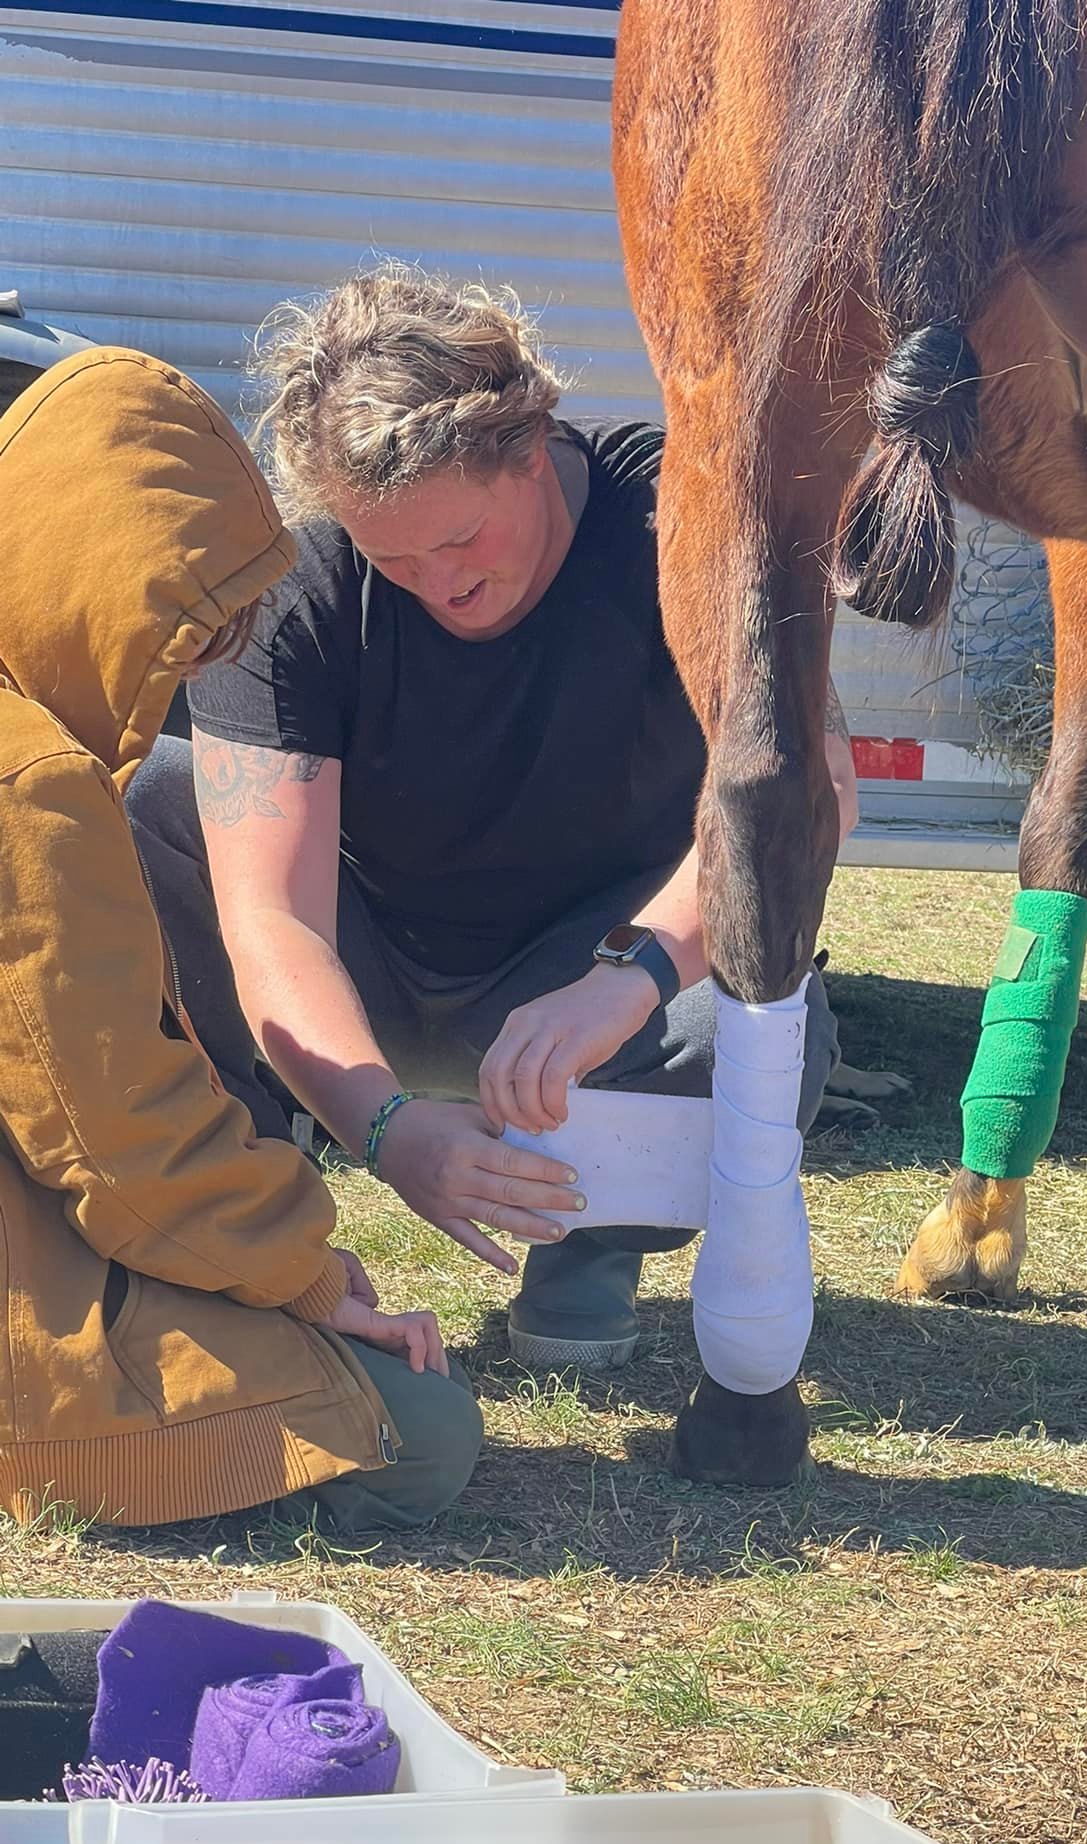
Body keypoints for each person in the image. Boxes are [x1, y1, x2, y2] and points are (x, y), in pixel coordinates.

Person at [127, 262, 856, 1431]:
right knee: (141, 812)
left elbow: (808, 794)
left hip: (587, 972)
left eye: (460, 539)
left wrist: (629, 977)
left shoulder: (683, 518)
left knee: (764, 1020)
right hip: (374, 964)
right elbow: (273, 921)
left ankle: (587, 1232)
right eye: (395, 561)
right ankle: (240, 1219)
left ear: (531, 446)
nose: (440, 583)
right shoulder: (296, 578)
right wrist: (385, 1127)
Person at [0, 345, 482, 1535]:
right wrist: (308, 1276)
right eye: (185, 627)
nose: (200, 665)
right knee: (422, 1435)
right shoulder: (34, 783)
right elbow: (117, 1146)